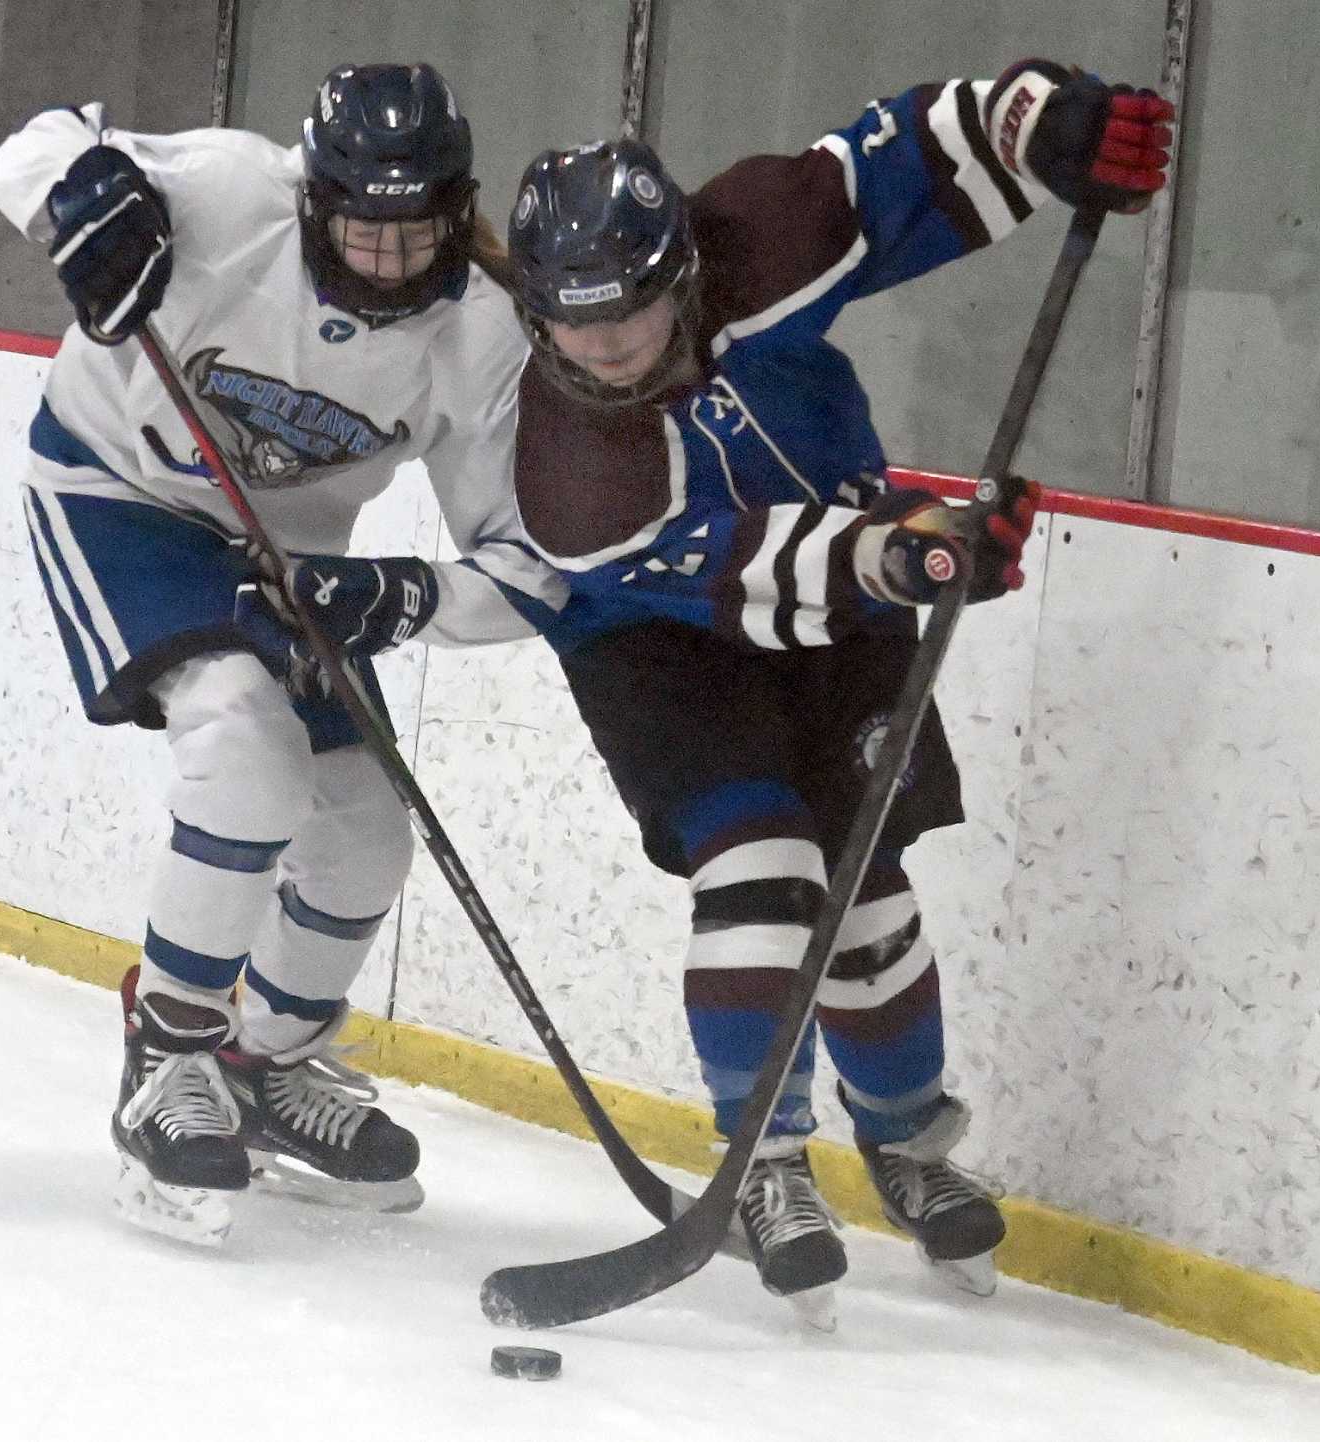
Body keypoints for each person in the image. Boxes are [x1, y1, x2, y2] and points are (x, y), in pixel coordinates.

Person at [484, 61, 1174, 1316]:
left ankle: (906, 1141)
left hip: (833, 580)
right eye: (571, 325)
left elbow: (898, 160)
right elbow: (754, 573)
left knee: (863, 889)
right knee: (762, 870)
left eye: (626, 317)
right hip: (653, 635)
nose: (602, 348)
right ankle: (764, 1162)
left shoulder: (756, 234)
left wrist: (1041, 122)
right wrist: (912, 549)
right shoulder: (566, 468)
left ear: (680, 269)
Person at [0, 64, 564, 1245]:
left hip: (283, 559)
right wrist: (82, 202)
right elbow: (32, 145)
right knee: (246, 746)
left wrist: (404, 595)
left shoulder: (481, 333)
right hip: (118, 489)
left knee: (361, 840)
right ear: (313, 198)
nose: (392, 260)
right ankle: (170, 1054)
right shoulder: (231, 190)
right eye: (364, 229)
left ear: (457, 210)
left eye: (418, 234)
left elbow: (526, 570)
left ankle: (261, 1063)